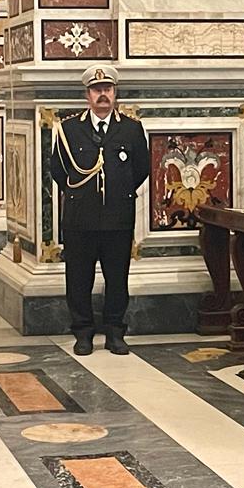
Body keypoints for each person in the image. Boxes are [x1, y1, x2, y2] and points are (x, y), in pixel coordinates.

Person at [50, 65, 150, 356]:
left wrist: (119, 191)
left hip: (118, 218)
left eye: (107, 89)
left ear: (115, 93)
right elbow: (58, 169)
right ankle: (82, 332)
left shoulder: (131, 129)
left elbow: (140, 169)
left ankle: (115, 332)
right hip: (80, 218)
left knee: (117, 278)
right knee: (78, 279)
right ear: (87, 95)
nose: (102, 95)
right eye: (97, 90)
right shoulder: (69, 129)